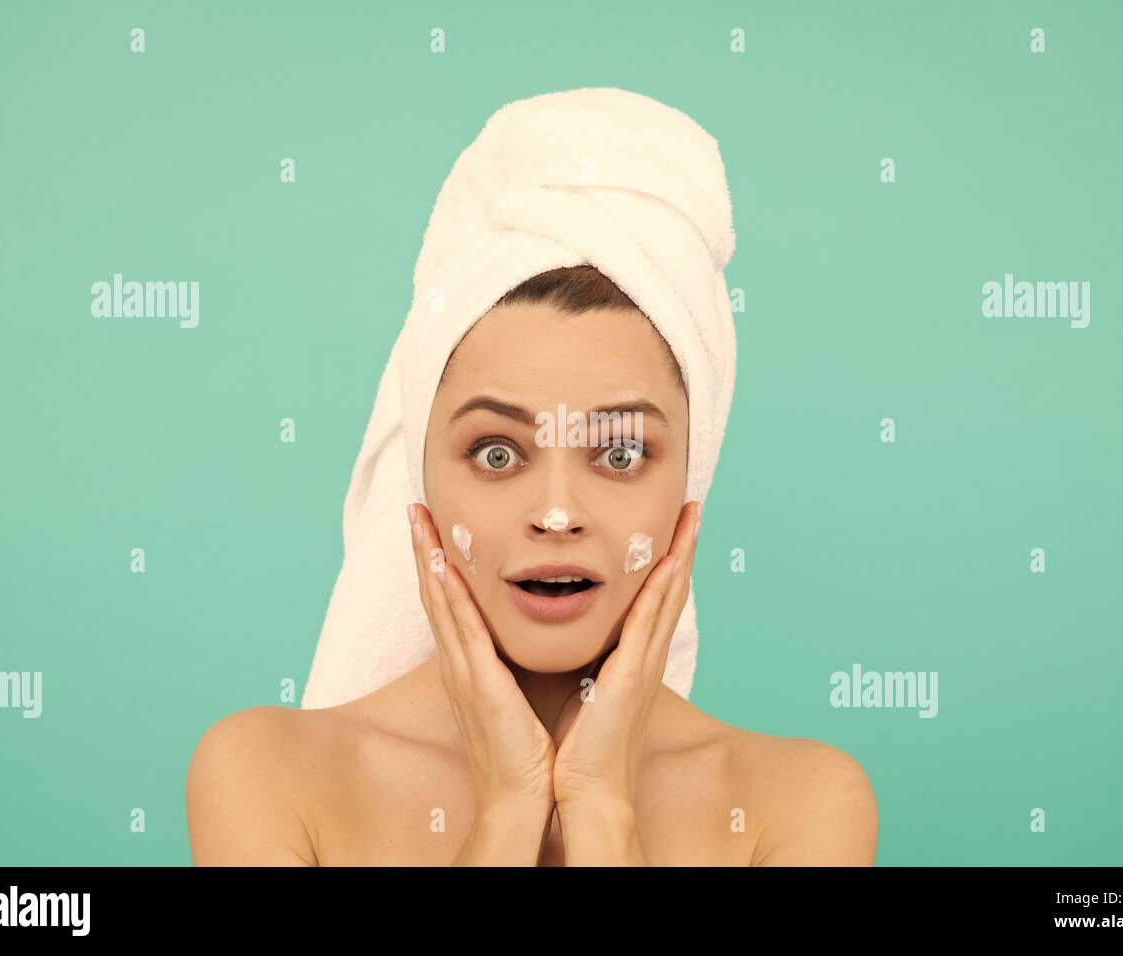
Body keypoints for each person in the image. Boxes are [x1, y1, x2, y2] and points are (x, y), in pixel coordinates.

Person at [186, 265, 878, 866]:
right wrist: (507, 808)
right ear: (419, 484)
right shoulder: (267, 775)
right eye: (496, 453)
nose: (556, 515)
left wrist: (602, 804)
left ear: (689, 485)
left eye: (620, 454)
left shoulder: (804, 803)